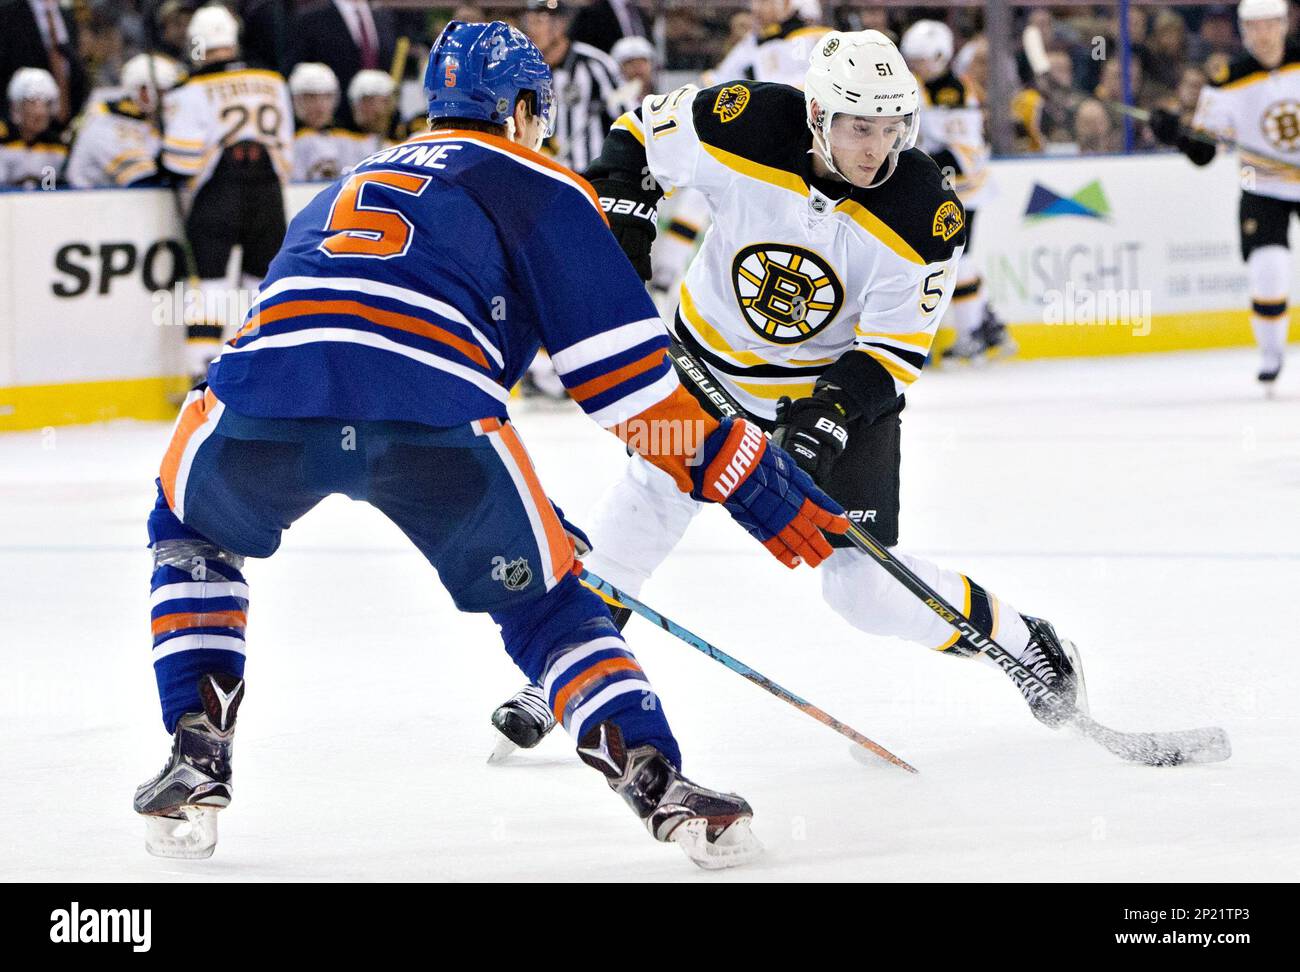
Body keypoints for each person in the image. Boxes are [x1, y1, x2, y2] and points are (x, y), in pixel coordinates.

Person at [133, 19, 848, 869]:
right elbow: (632, 392)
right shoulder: (540, 182)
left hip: (260, 398)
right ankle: (660, 785)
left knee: (189, 536)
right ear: (516, 110)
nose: (540, 131)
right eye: (536, 115)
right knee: (547, 606)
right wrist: (744, 476)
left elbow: (317, 330)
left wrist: (535, 514)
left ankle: (196, 746)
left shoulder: (351, 179)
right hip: (434, 417)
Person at [490, 29, 1088, 756]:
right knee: (643, 510)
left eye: (891, 127)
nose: (876, 147)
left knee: (861, 591)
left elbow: (892, 352)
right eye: (858, 127)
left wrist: (832, 416)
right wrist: (625, 213)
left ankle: (1023, 641)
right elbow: (639, 134)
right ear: (815, 116)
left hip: (832, 395)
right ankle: (566, 672)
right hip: (701, 378)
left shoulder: (924, 211)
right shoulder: (743, 119)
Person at [1149, 0, 1298, 385]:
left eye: (1270, 26)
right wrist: (1177, 137)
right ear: (1244, 33)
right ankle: (1271, 356)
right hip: (1263, 184)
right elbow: (1205, 151)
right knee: (1268, 269)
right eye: (1255, 28)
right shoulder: (1227, 79)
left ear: (1284, 25)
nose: (1264, 35)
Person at [160, 4, 293, 384]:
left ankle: (202, 373)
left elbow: (181, 161)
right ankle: (257, 373)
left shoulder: (191, 87)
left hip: (219, 194)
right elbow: (287, 149)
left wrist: (162, 154)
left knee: (211, 288)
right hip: (268, 194)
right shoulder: (273, 80)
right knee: (259, 284)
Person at [901, 19, 1013, 363]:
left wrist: (919, 165)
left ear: (940, 56)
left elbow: (959, 150)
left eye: (922, 59)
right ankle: (986, 324)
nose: (916, 65)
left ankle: (973, 332)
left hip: (965, 187)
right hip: (952, 184)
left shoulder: (956, 92)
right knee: (953, 257)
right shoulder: (925, 86)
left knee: (957, 258)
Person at [65, 54, 183, 189]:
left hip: (114, 203)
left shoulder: (145, 124)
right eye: (164, 91)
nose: (174, 100)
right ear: (143, 92)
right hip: (87, 205)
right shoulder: (107, 125)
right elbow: (143, 181)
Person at [288, 61, 374, 181]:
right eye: (310, 97)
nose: (320, 106)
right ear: (295, 99)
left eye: (327, 97)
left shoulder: (351, 141)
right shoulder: (284, 143)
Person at [0, 66, 67, 189]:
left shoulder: (56, 146)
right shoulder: (3, 140)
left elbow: (50, 191)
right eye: (32, 103)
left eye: (46, 104)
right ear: (17, 106)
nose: (40, 112)